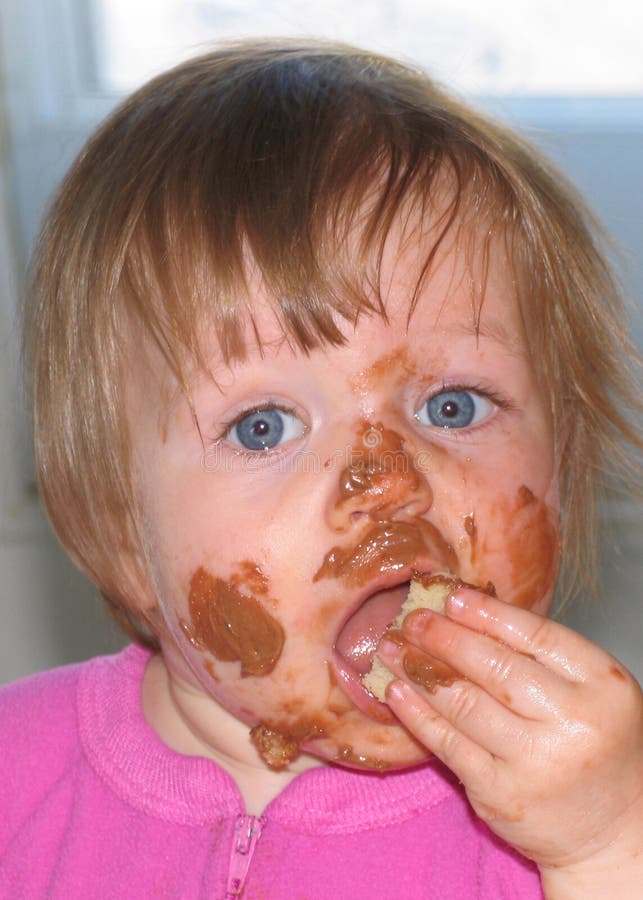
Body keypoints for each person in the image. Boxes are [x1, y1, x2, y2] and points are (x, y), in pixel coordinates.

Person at [1, 38, 641, 899]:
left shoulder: (576, 813)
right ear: (119, 531)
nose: (387, 482)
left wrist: (602, 850)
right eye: (263, 426)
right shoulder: (19, 780)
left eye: (451, 406)